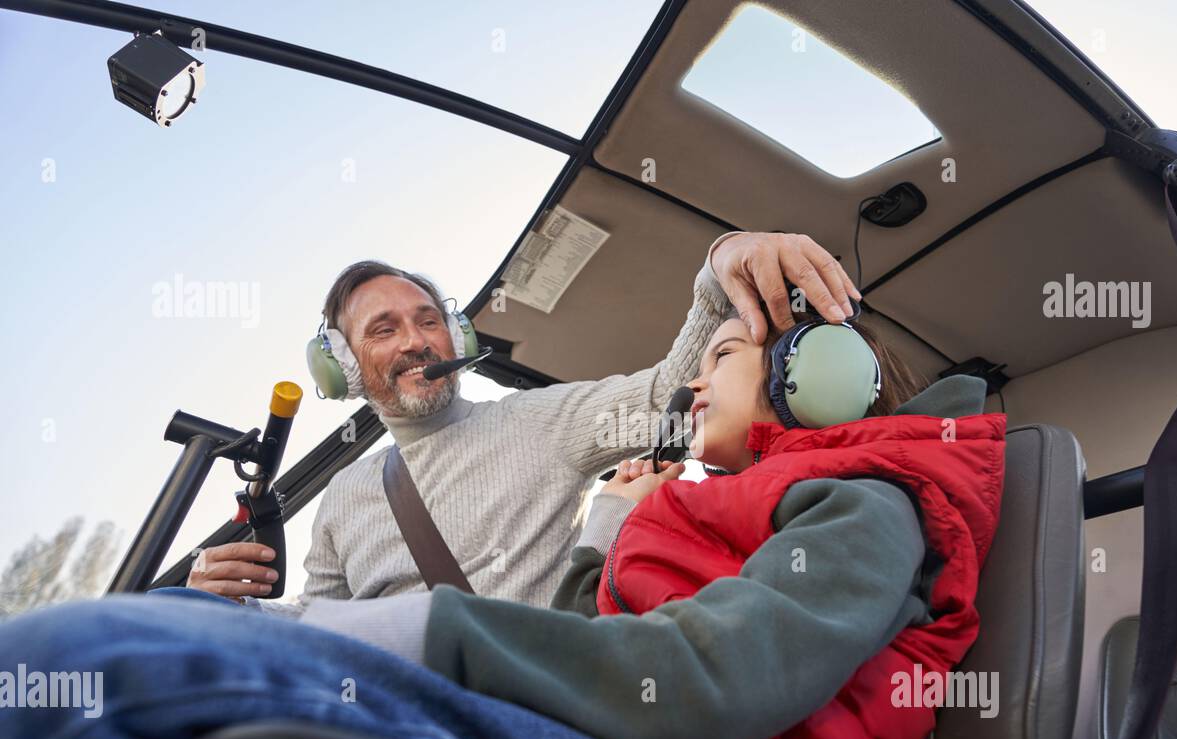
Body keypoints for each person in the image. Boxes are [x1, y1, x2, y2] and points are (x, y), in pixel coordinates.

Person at [0, 296, 1004, 739]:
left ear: (820, 376)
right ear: (345, 361)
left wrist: (427, 629)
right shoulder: (356, 490)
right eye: (377, 328)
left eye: (726, 355)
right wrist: (602, 533)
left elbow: (697, 687)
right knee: (173, 618)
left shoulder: (868, 499)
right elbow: (610, 637)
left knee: (97, 670)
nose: (699, 379)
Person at [185, 232, 863, 614]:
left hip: (525, 713)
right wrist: (223, 607)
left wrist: (717, 267)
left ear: (455, 337)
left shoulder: (538, 422)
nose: (416, 341)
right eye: (384, 329)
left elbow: (665, 396)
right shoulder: (343, 501)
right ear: (344, 369)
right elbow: (317, 623)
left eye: (429, 321)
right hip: (391, 730)